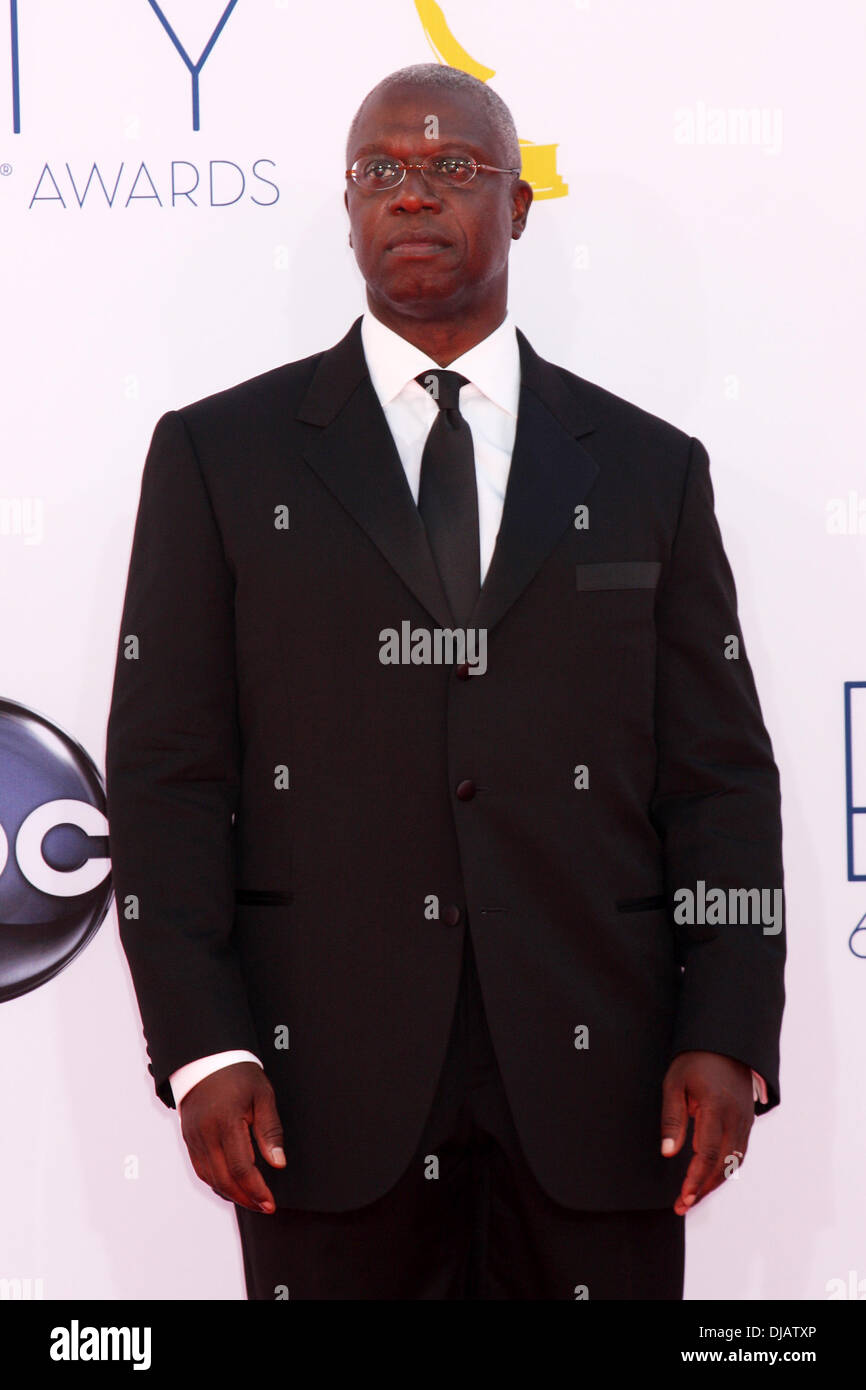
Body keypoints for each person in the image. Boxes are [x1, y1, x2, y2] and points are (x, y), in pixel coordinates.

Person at [105, 63, 785, 1300]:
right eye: (381, 172)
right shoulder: (215, 455)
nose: (410, 196)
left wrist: (725, 1030)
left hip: (602, 1085)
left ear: (517, 206)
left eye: (450, 169)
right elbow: (167, 776)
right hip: (315, 1093)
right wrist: (203, 1045)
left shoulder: (646, 468)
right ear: (349, 206)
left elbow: (719, 779)